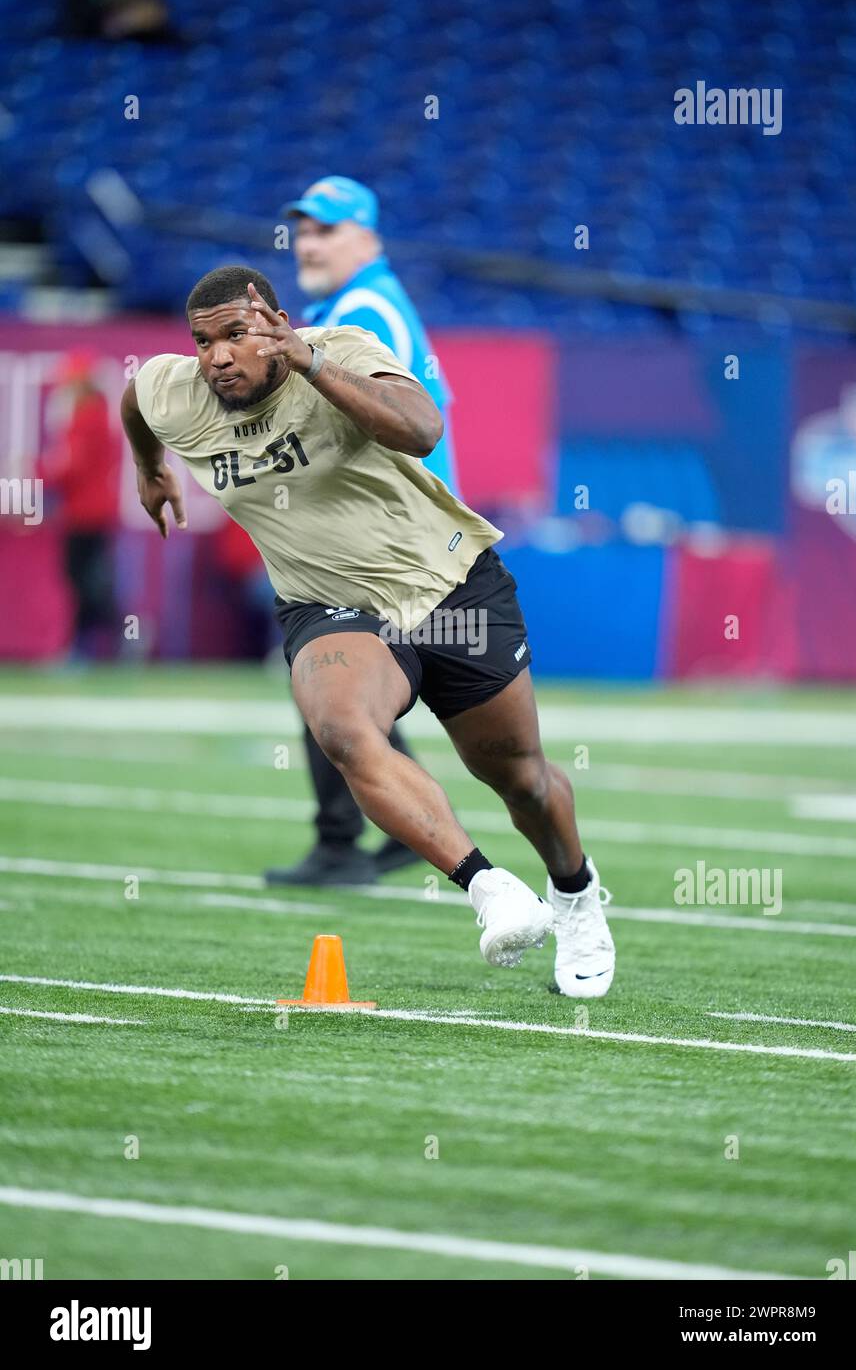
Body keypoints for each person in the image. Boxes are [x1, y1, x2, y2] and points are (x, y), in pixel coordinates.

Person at [119, 265, 615, 998]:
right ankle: (489, 889)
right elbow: (136, 399)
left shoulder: (338, 346)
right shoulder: (177, 390)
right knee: (344, 730)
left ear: (274, 323)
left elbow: (422, 428)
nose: (218, 356)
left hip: (449, 585)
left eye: (235, 334)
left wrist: (312, 364)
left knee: (519, 778)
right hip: (329, 604)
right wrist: (150, 466)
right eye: (203, 341)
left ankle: (575, 896)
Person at [267, 175, 455, 887]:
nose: (308, 242)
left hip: (389, 533)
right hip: (384, 531)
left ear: (369, 240)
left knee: (325, 668)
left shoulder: (366, 307)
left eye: (327, 230)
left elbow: (401, 418)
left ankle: (345, 842)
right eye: (304, 230)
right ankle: (378, 828)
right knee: (333, 678)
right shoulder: (350, 305)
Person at [42, 350, 120, 659]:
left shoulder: (87, 417)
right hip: (90, 510)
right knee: (86, 580)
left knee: (83, 581)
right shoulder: (96, 414)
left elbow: (71, 467)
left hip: (86, 513)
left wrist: (41, 470)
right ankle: (88, 644)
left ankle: (87, 644)